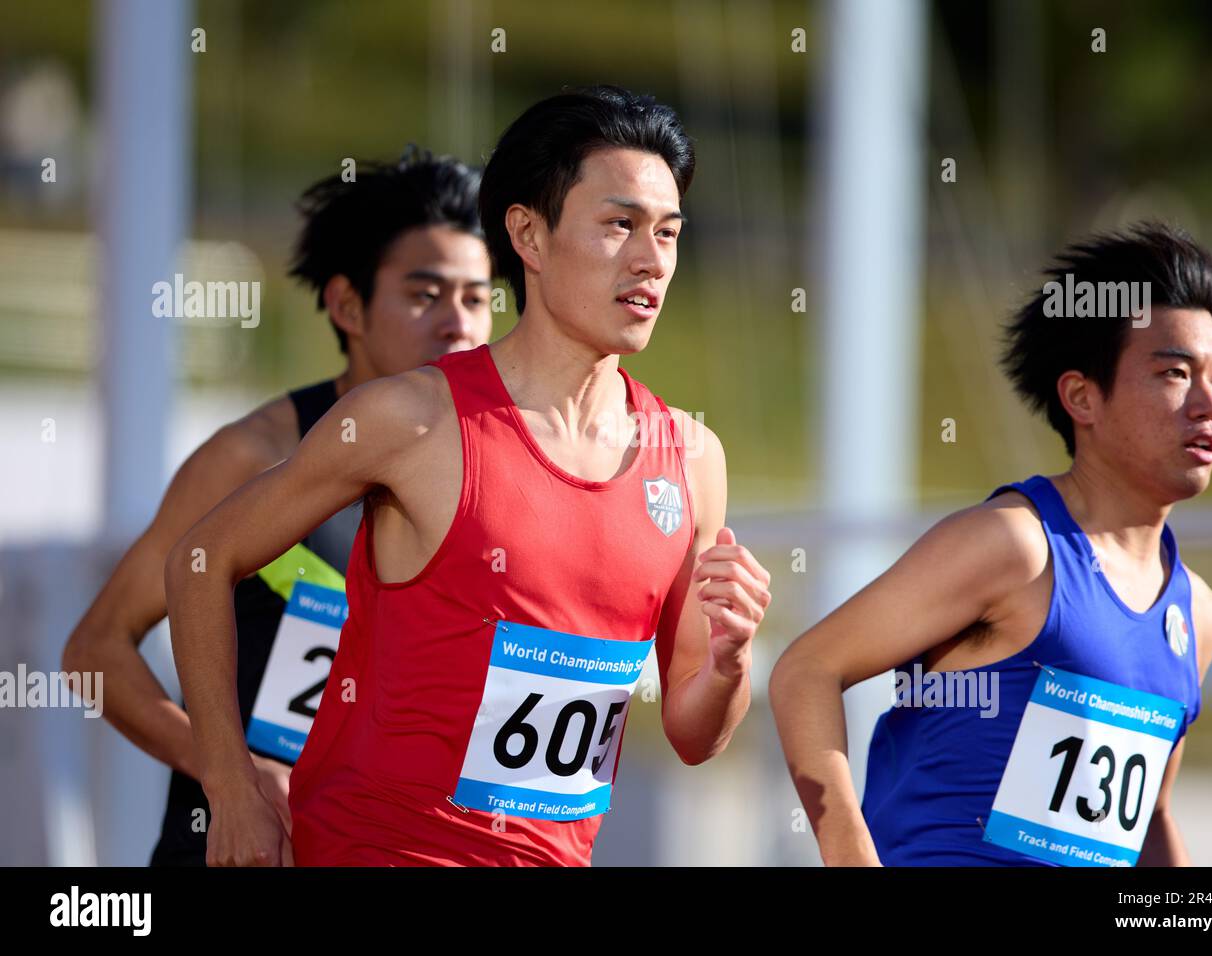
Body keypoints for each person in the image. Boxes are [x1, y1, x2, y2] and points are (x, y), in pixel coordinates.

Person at [164, 86, 773, 867]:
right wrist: (231, 787)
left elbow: (695, 735)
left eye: (668, 232)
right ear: (529, 234)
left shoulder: (691, 457)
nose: (651, 260)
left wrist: (730, 659)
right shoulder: (411, 419)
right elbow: (202, 559)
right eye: (619, 225)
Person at [64, 151, 493, 865]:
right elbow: (93, 652)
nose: (458, 324)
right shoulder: (253, 457)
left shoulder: (496, 461)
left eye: (477, 298)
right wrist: (231, 777)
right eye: (426, 295)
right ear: (347, 306)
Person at [772, 222, 1212, 867]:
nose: (1209, 405)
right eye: (1175, 374)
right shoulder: (1014, 547)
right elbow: (806, 671)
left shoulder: (1201, 616)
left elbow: (1148, 818)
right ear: (1082, 397)